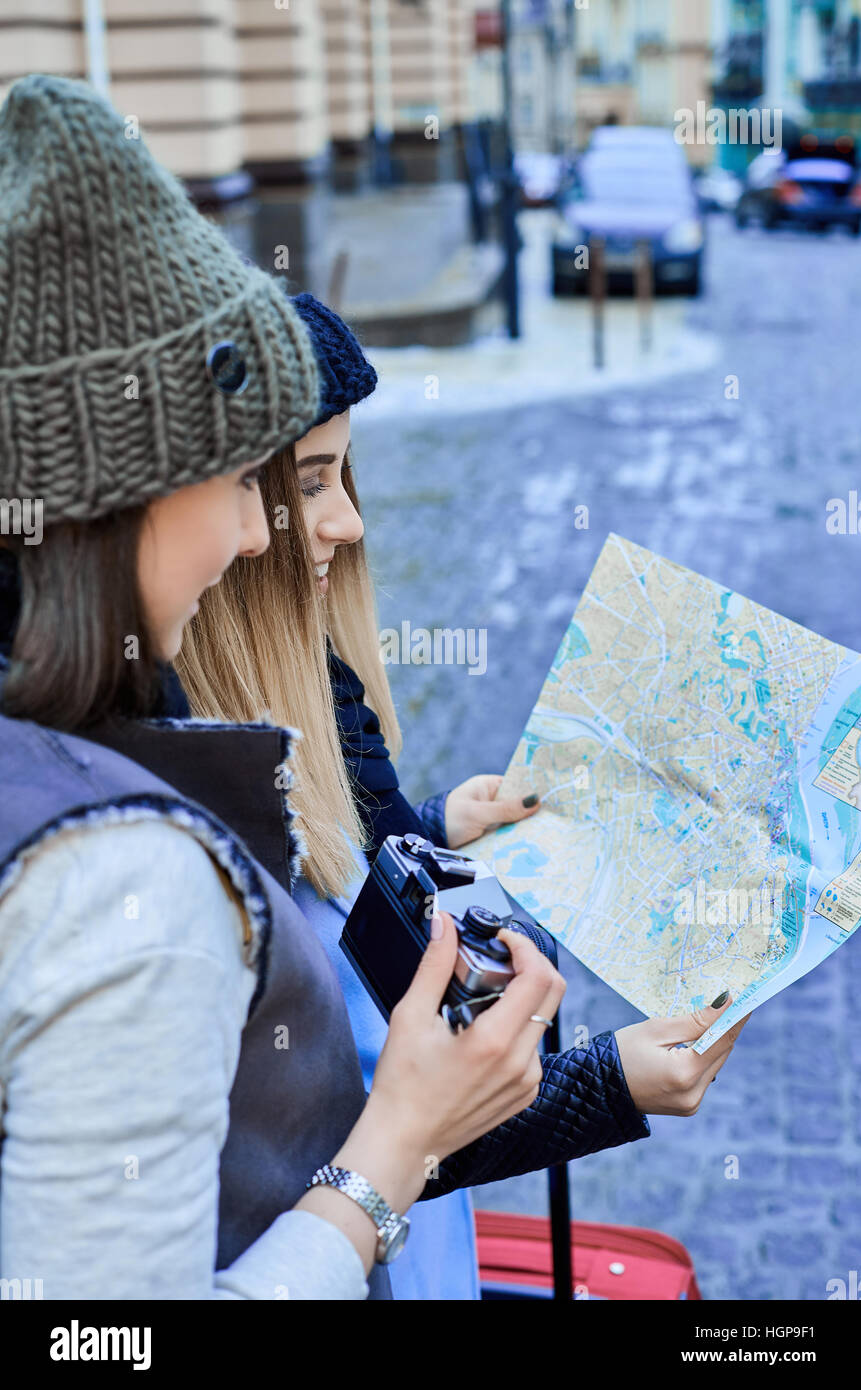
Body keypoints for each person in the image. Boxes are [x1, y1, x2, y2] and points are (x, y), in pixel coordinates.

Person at [0, 74, 566, 1301]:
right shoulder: (120, 866)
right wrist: (387, 1157)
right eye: (233, 474)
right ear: (128, 490)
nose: (261, 536)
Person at [176, 296, 750, 1299]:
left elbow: (358, 863)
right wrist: (607, 1083)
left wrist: (434, 827)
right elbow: (354, 1139)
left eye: (342, 475)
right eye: (307, 483)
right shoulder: (186, 819)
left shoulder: (316, 692)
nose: (348, 521)